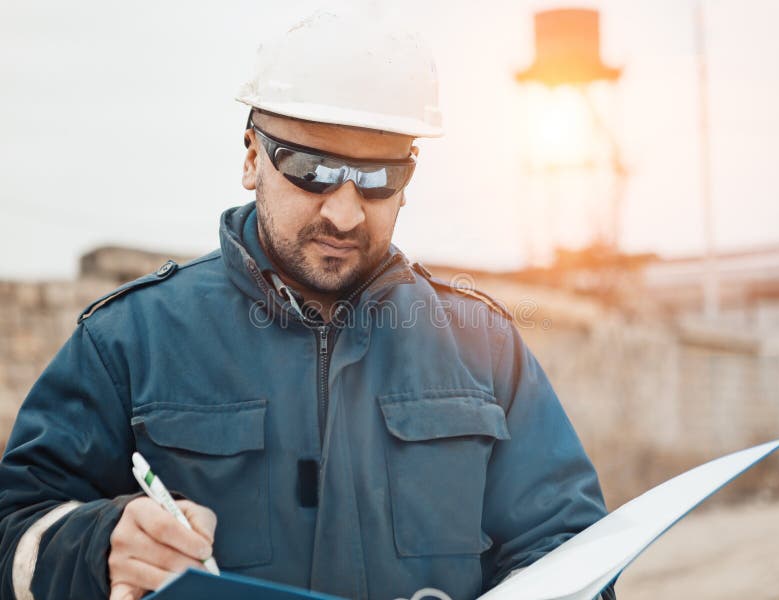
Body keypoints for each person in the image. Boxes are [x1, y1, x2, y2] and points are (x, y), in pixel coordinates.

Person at [0, 10, 615, 600]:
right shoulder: (129, 343)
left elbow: (573, 546)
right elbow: (12, 533)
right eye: (310, 169)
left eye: (377, 179)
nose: (344, 213)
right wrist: (95, 546)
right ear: (250, 157)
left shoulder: (484, 347)